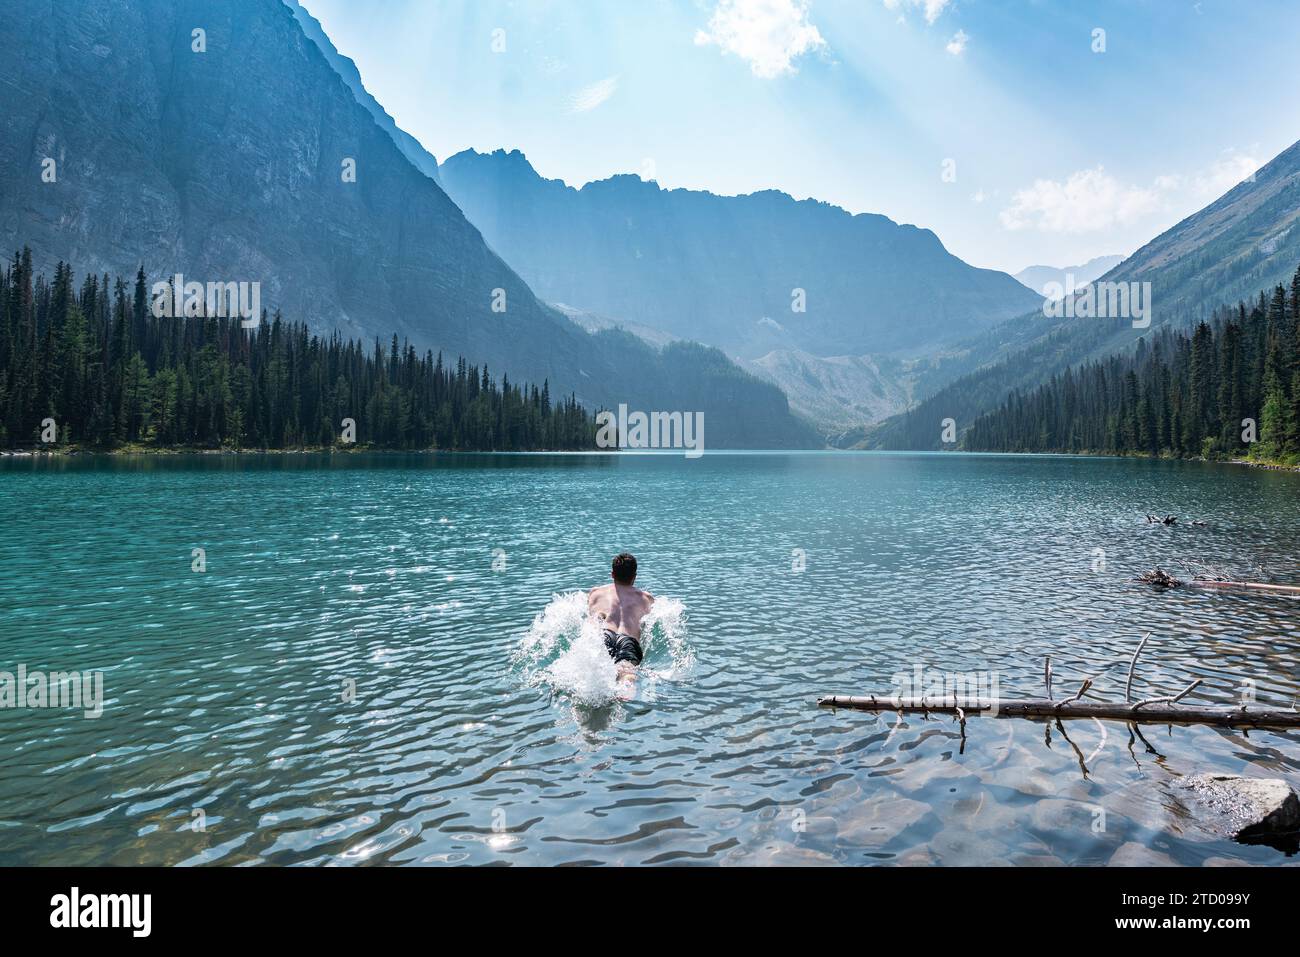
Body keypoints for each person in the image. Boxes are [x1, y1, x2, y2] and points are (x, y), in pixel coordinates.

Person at [588, 552, 654, 690]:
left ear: (612, 574)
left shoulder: (595, 593)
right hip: (628, 640)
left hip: (604, 634)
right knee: (627, 673)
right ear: (634, 576)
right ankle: (624, 695)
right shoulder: (646, 598)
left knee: (595, 668)